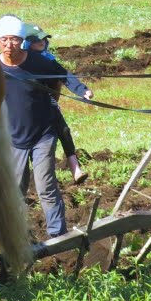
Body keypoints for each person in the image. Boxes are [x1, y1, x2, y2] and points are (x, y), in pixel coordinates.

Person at [0, 15, 81, 239]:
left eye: (13, 39)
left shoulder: (37, 62)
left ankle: (58, 234)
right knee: (16, 190)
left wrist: (83, 91)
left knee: (46, 186)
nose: (9, 45)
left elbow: (62, 73)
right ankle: (16, 235)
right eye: (4, 40)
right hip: (14, 138)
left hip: (43, 134)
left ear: (21, 40)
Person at [24, 23, 93, 184]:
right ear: (26, 43)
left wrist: (82, 90)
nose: (41, 42)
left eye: (43, 39)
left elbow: (64, 75)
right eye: (35, 40)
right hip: (26, 108)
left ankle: (75, 169)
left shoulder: (49, 60)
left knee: (64, 131)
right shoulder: (21, 61)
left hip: (48, 104)